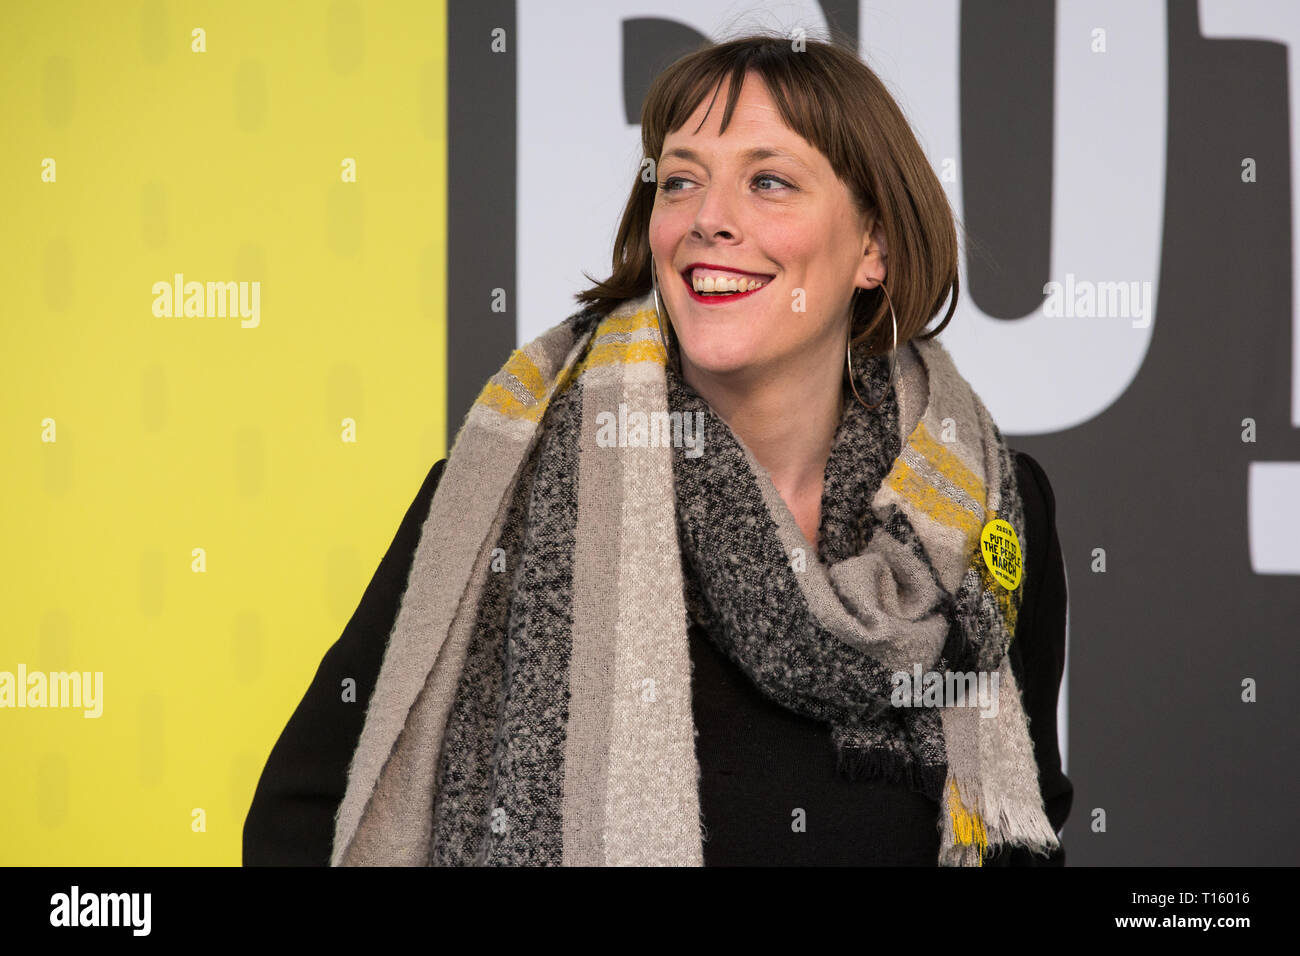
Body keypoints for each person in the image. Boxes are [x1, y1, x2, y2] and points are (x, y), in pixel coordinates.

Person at [245, 31, 1071, 867]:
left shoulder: (987, 513)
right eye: (680, 181)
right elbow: (298, 820)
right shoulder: (496, 498)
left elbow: (1033, 815)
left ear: (874, 249)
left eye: (769, 181)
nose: (709, 220)